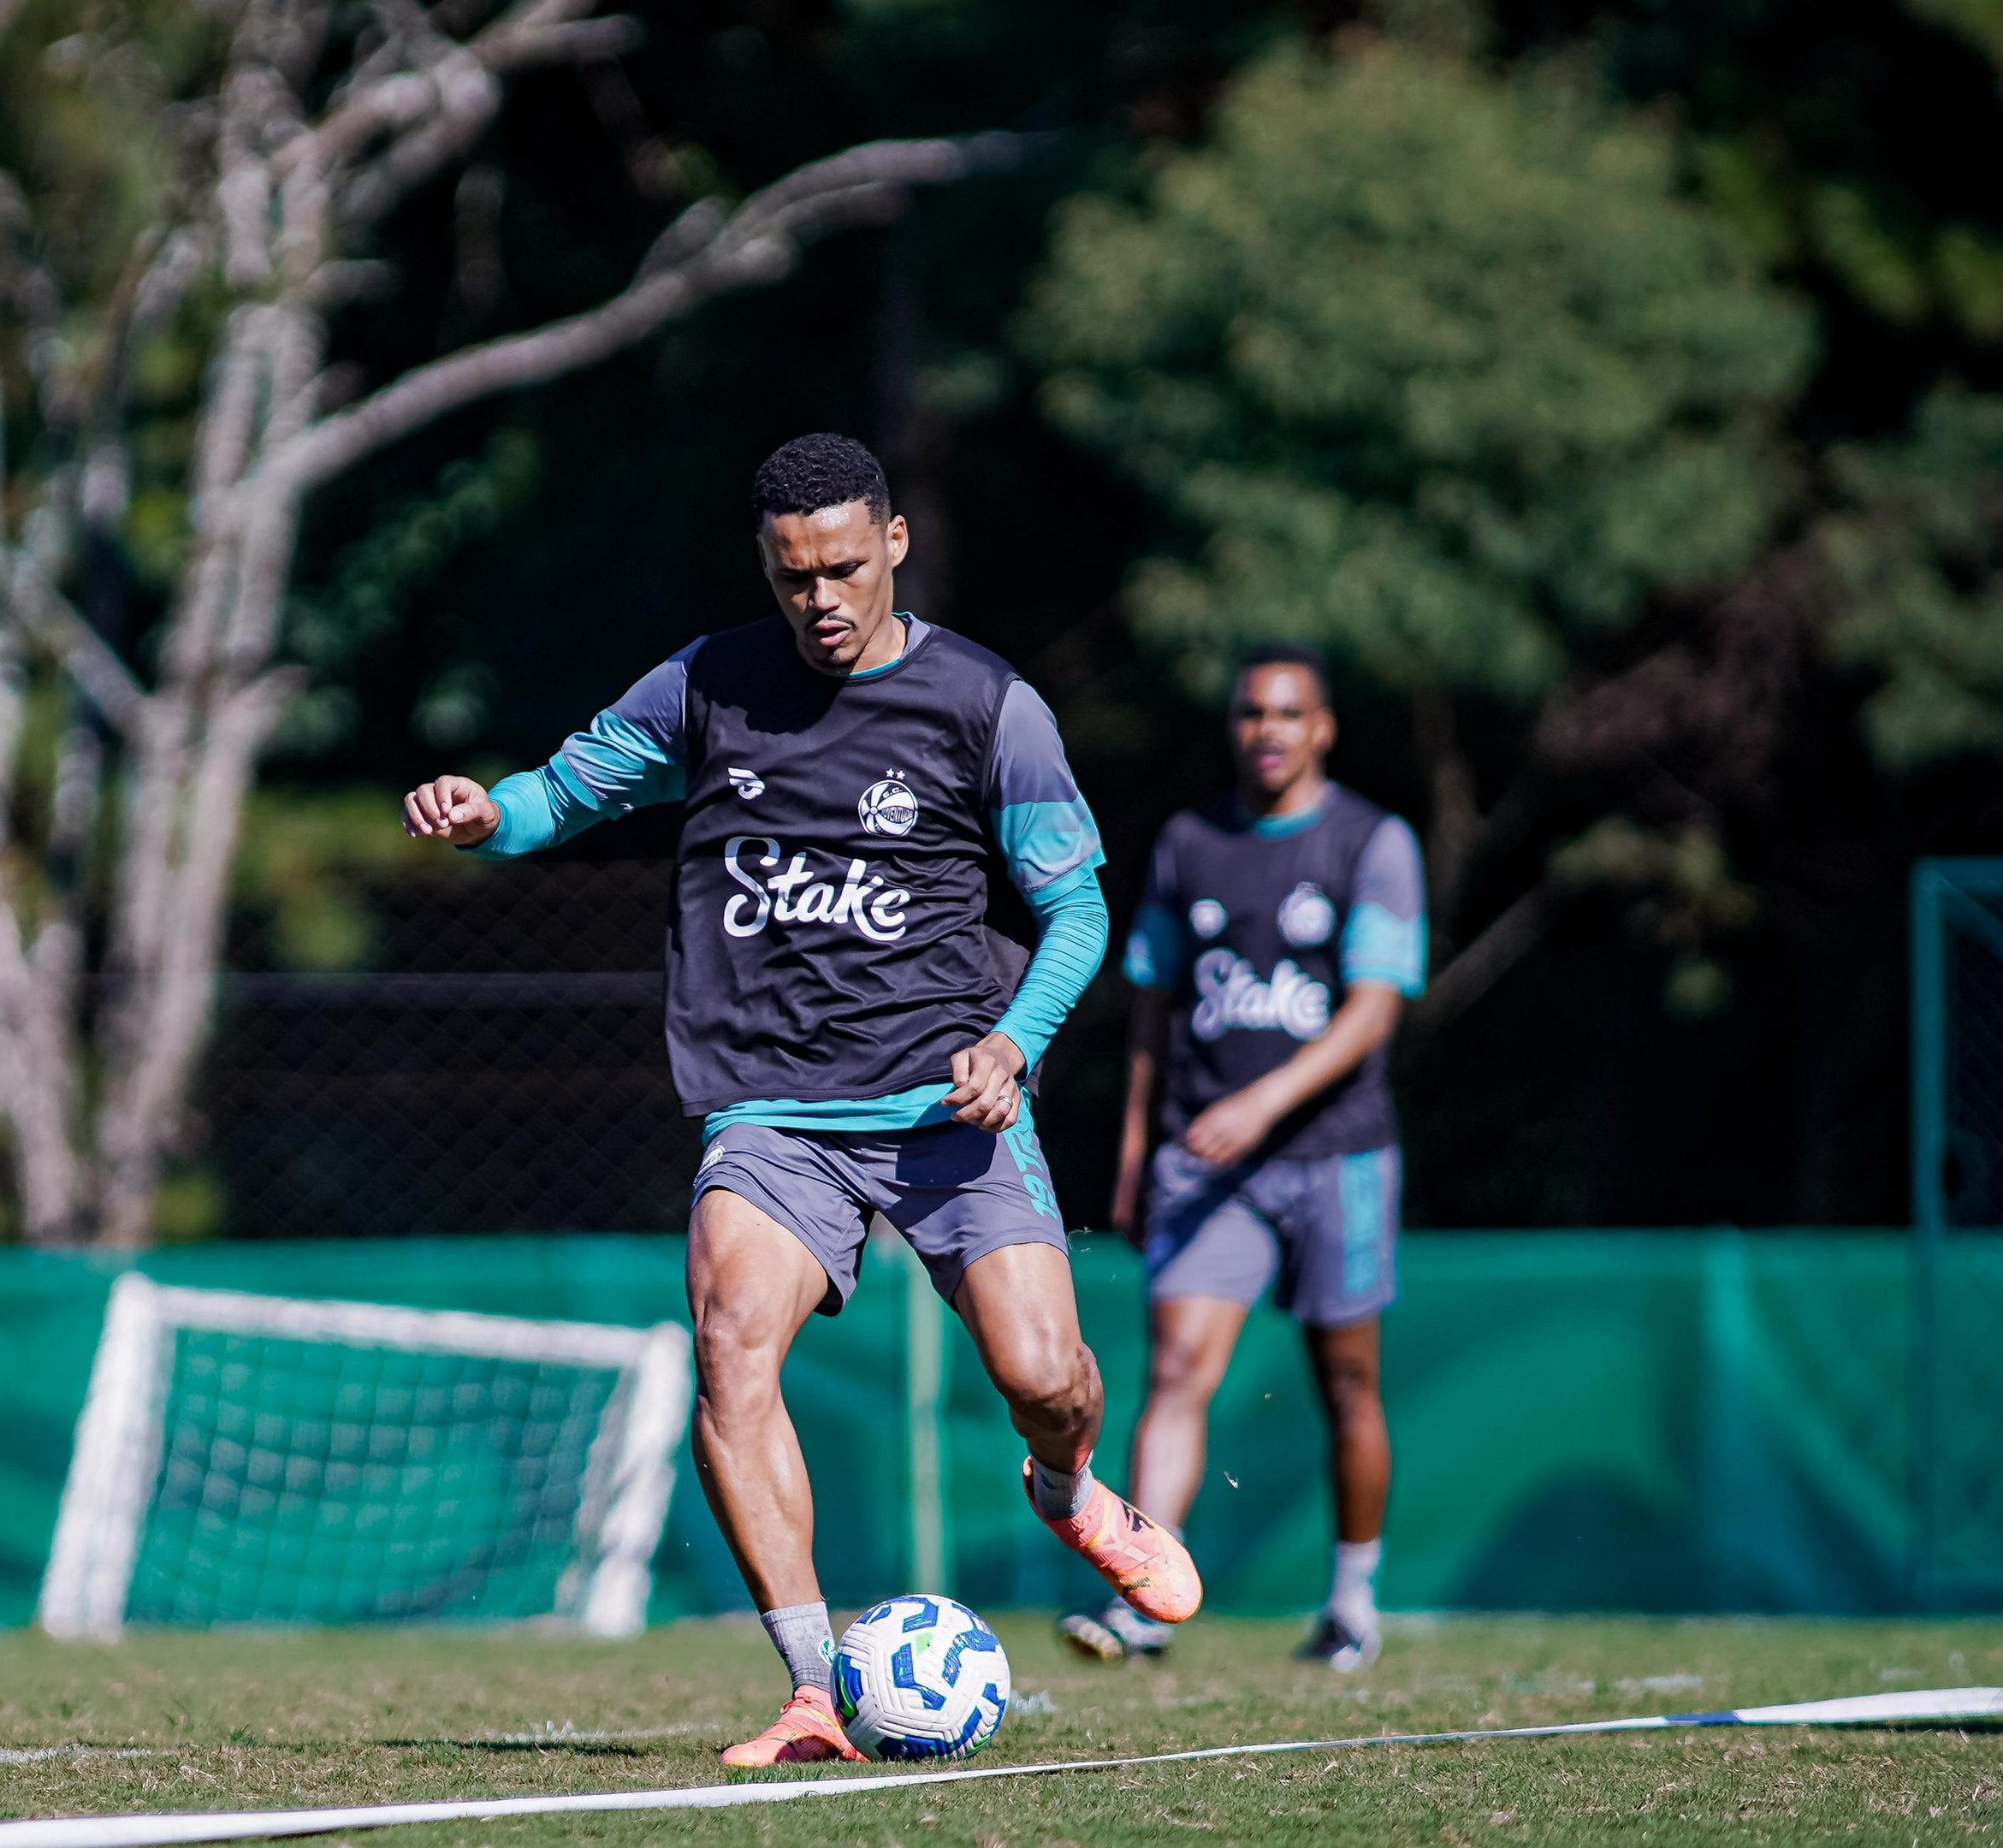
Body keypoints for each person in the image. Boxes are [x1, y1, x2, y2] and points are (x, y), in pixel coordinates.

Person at [404, 433, 1200, 1765]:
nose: (819, 599)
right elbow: (559, 795)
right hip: (771, 1111)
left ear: (893, 542)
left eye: (841, 568)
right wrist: (485, 814)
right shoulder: (707, 685)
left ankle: (1068, 1491)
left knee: (1044, 1377)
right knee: (729, 1345)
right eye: (792, 578)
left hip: (948, 1106)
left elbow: (1075, 911)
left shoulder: (985, 705)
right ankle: (808, 1688)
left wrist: (1010, 1045)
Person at [1060, 643, 1425, 1674]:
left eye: (1288, 713)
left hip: (1338, 1157)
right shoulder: (1190, 843)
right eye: (1251, 713)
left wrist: (1259, 1105)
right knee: (1177, 1370)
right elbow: (1152, 1006)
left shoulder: (1372, 842)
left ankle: (1351, 1603)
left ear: (1324, 729)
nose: (1268, 731)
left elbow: (1373, 1011)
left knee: (1347, 1384)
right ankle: (1142, 1600)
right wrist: (1135, 1149)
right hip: (1203, 1162)